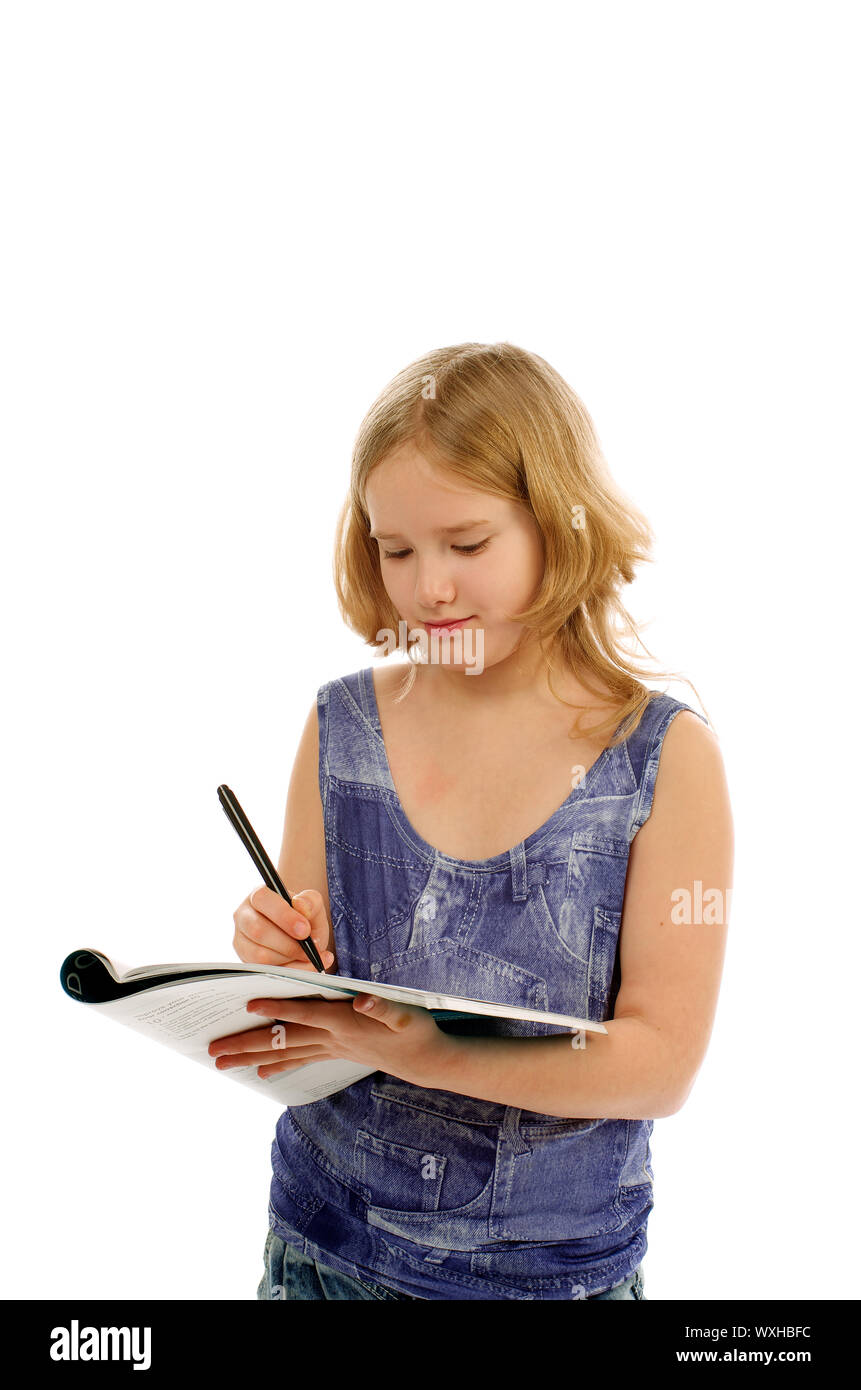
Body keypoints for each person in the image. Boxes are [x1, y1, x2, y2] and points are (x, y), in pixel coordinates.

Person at [209, 342, 733, 1301]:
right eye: (394, 549)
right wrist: (272, 954)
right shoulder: (343, 726)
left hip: (549, 1278)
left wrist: (438, 1053)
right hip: (323, 1254)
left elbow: (659, 1066)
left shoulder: (660, 757)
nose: (428, 588)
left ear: (558, 524)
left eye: (467, 543)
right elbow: (304, 1009)